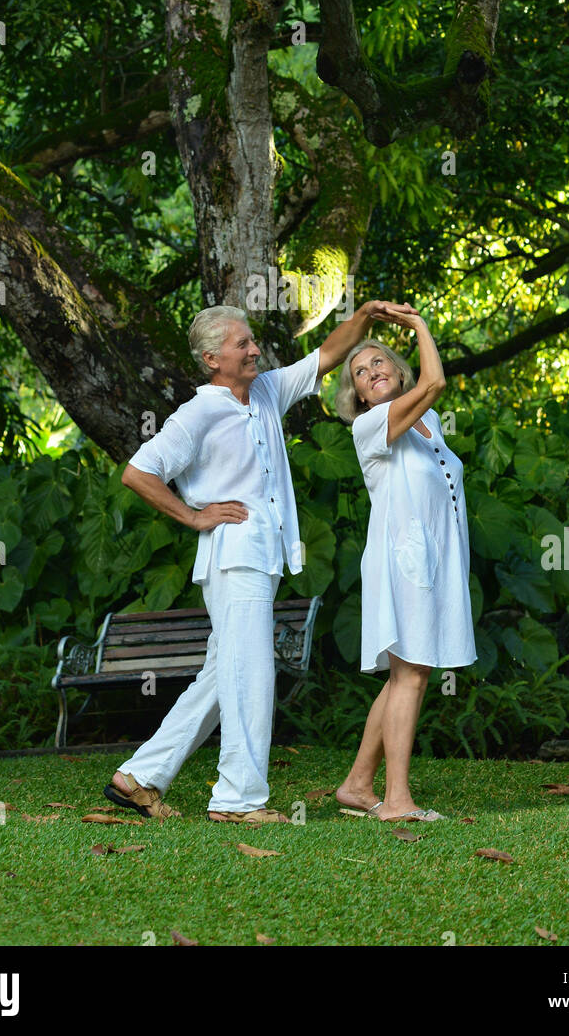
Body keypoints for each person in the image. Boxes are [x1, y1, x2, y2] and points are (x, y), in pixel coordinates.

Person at [104, 298, 413, 824]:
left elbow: (325, 356)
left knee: (222, 676)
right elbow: (139, 471)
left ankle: (140, 776)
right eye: (241, 343)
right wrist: (194, 515)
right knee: (250, 675)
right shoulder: (199, 411)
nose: (254, 349)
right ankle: (237, 800)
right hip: (234, 556)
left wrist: (365, 316)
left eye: (251, 339)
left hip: (261, 557)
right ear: (211, 359)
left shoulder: (267, 389)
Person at [333, 307, 476, 823]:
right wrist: (419, 326)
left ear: (395, 369)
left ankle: (356, 784)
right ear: (362, 398)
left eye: (377, 362)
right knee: (412, 674)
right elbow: (435, 380)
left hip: (434, 560)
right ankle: (396, 801)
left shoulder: (429, 423)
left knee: (403, 675)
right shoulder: (373, 425)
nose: (370, 372)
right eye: (360, 375)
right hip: (403, 561)